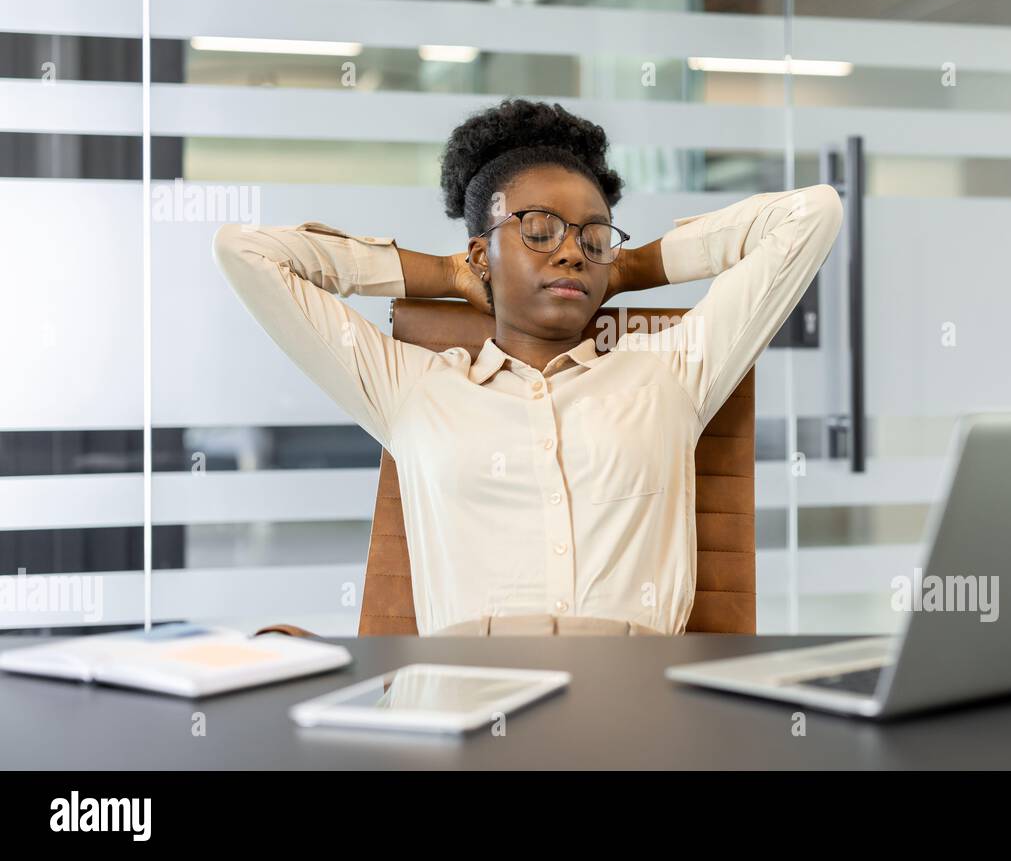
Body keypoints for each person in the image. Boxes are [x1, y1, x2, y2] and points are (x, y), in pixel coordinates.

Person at [212, 97, 843, 636]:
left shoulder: (672, 374)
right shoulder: (412, 389)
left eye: (592, 236)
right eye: (538, 229)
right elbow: (246, 252)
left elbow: (811, 213)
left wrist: (630, 265)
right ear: (481, 250)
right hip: (465, 720)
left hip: (637, 723)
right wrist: (442, 274)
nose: (570, 252)